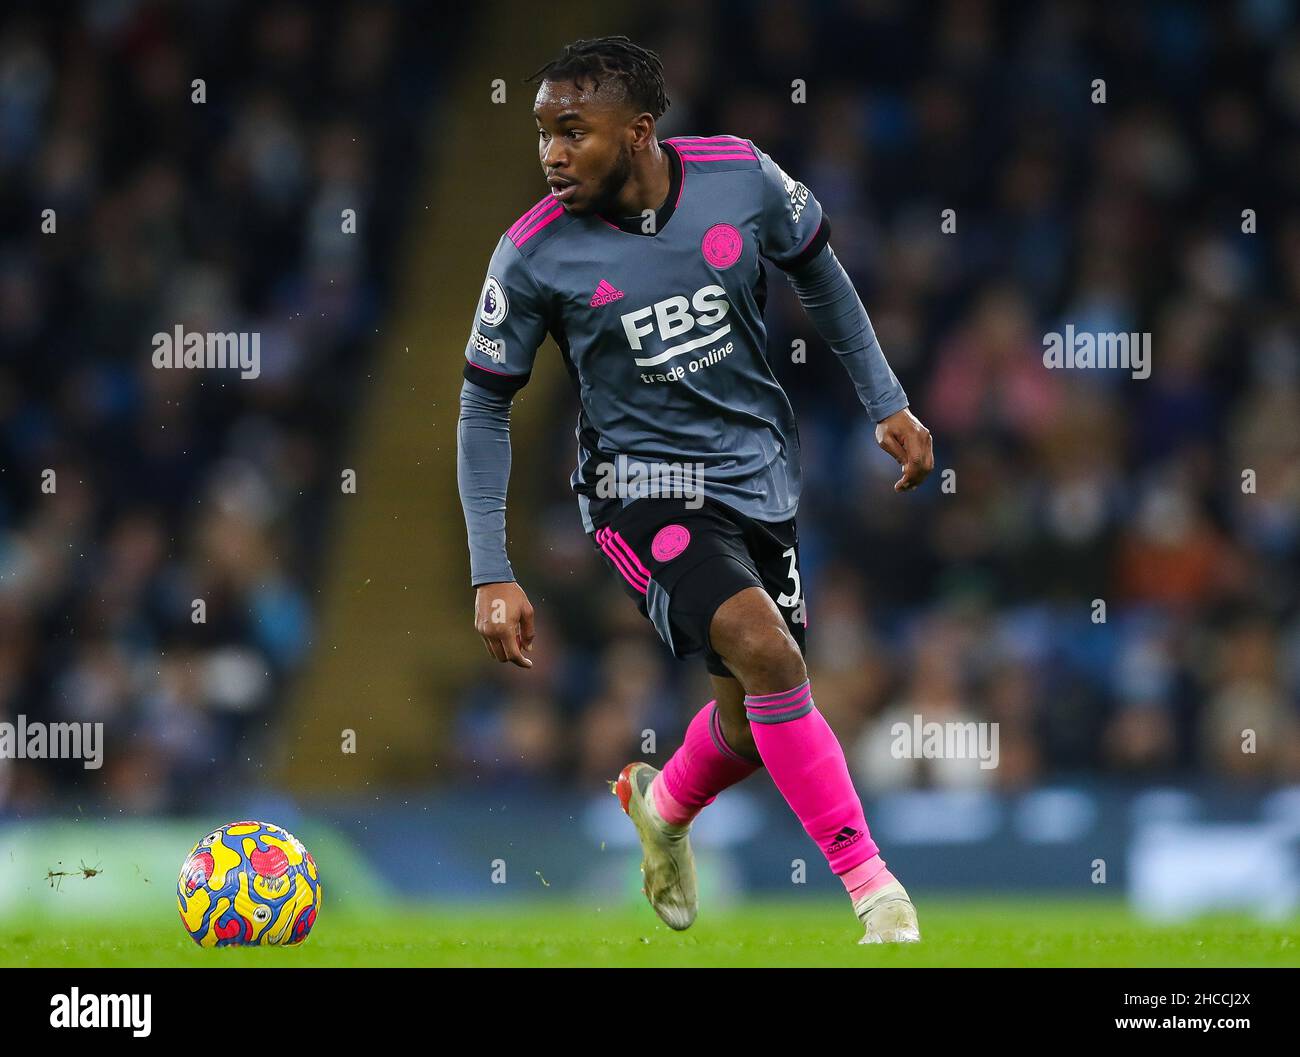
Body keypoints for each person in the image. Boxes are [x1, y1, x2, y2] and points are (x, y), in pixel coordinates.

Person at [457, 36, 933, 944]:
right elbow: (483, 409)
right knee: (771, 653)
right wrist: (492, 567)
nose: (552, 153)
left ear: (638, 131)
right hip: (639, 488)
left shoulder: (739, 177)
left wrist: (887, 400)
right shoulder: (530, 257)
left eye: (573, 131)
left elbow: (822, 276)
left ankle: (663, 803)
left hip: (759, 477)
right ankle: (875, 889)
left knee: (750, 721)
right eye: (542, 134)